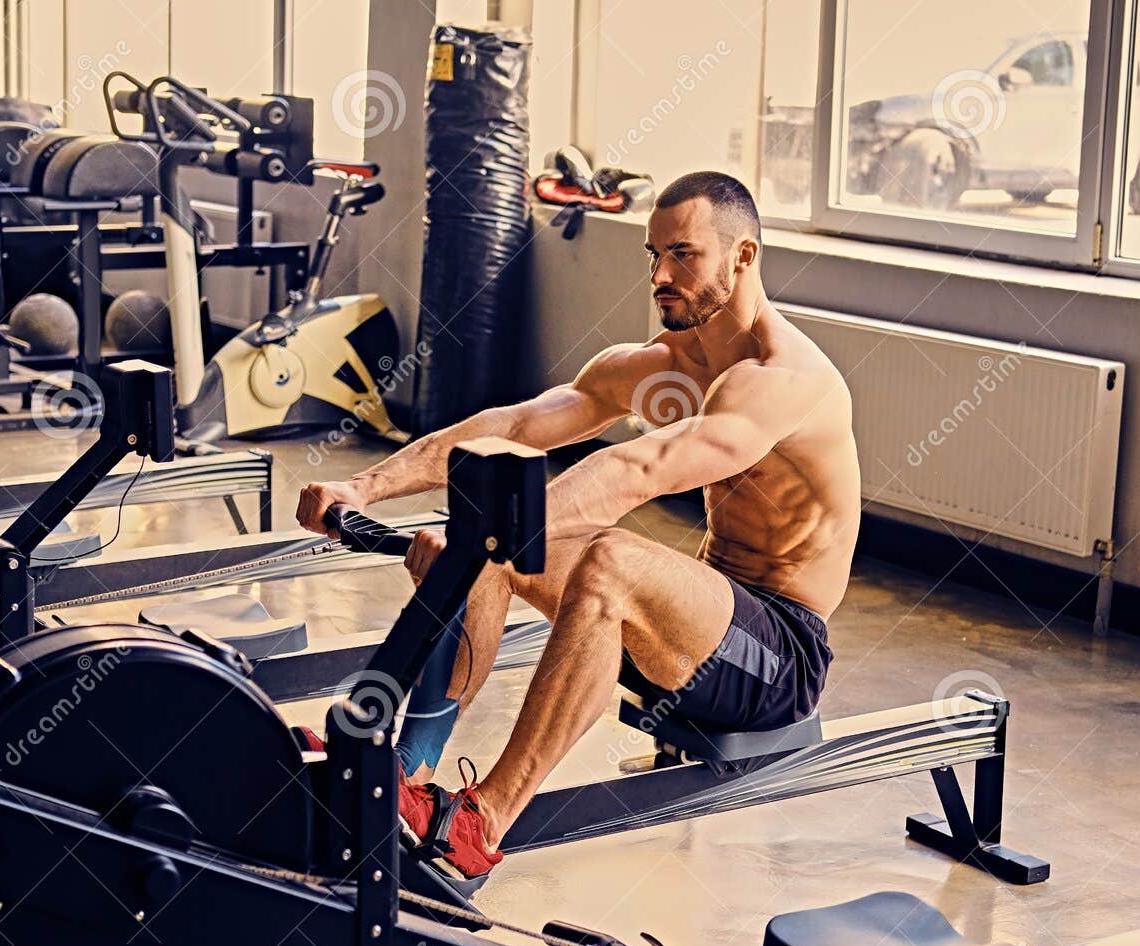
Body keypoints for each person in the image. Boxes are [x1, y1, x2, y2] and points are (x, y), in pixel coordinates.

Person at [296, 171, 860, 884]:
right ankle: (404, 775)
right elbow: (516, 426)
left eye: (683, 255)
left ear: (743, 257)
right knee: (501, 539)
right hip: (700, 625)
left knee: (604, 561)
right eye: (653, 256)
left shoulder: (784, 379)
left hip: (778, 657)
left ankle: (484, 822)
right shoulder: (662, 364)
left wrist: (478, 537)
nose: (660, 275)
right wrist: (362, 484)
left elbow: (642, 469)